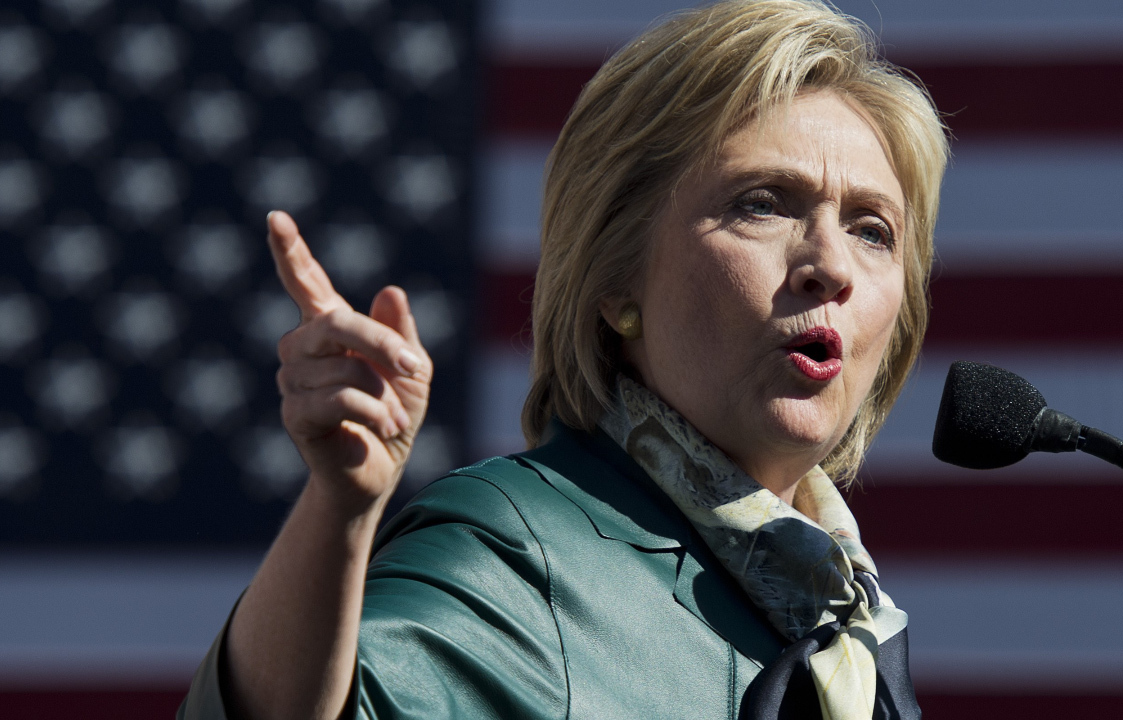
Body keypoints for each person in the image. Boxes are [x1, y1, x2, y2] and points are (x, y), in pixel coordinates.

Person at [178, 0, 947, 718]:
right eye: (763, 203)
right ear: (615, 284)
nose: (831, 264)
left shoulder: (851, 620)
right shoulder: (521, 550)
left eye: (872, 230)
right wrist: (339, 511)